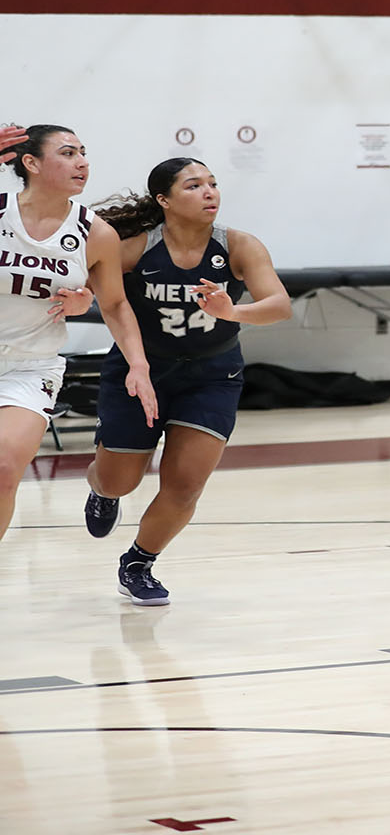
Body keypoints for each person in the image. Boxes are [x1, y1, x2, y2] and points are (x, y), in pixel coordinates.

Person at [80, 159, 291, 605]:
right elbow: (91, 285)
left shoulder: (238, 245)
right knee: (119, 480)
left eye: (213, 184)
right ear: (164, 200)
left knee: (186, 484)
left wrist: (233, 312)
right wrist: (81, 295)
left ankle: (139, 561)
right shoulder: (135, 246)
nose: (209, 192)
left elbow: (278, 304)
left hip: (212, 375)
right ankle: (101, 490)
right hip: (141, 369)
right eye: (194, 186)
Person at [0, 125, 156, 547]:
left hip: (28, 368)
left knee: (3, 470)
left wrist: (138, 365)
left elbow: (116, 305)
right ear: (30, 163)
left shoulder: (95, 233)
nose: (82, 162)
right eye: (68, 153)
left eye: (83, 153)